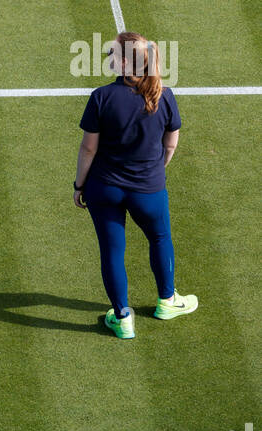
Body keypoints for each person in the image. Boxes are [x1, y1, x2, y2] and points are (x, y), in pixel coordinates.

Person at [74, 31, 197, 340]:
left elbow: (89, 149)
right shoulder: (163, 95)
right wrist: (157, 168)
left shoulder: (101, 97)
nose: (109, 59)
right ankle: (167, 301)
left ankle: (122, 317)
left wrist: (79, 185)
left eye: (112, 55)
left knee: (112, 251)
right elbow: (170, 143)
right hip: (149, 189)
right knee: (160, 238)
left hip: (104, 189)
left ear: (127, 63)